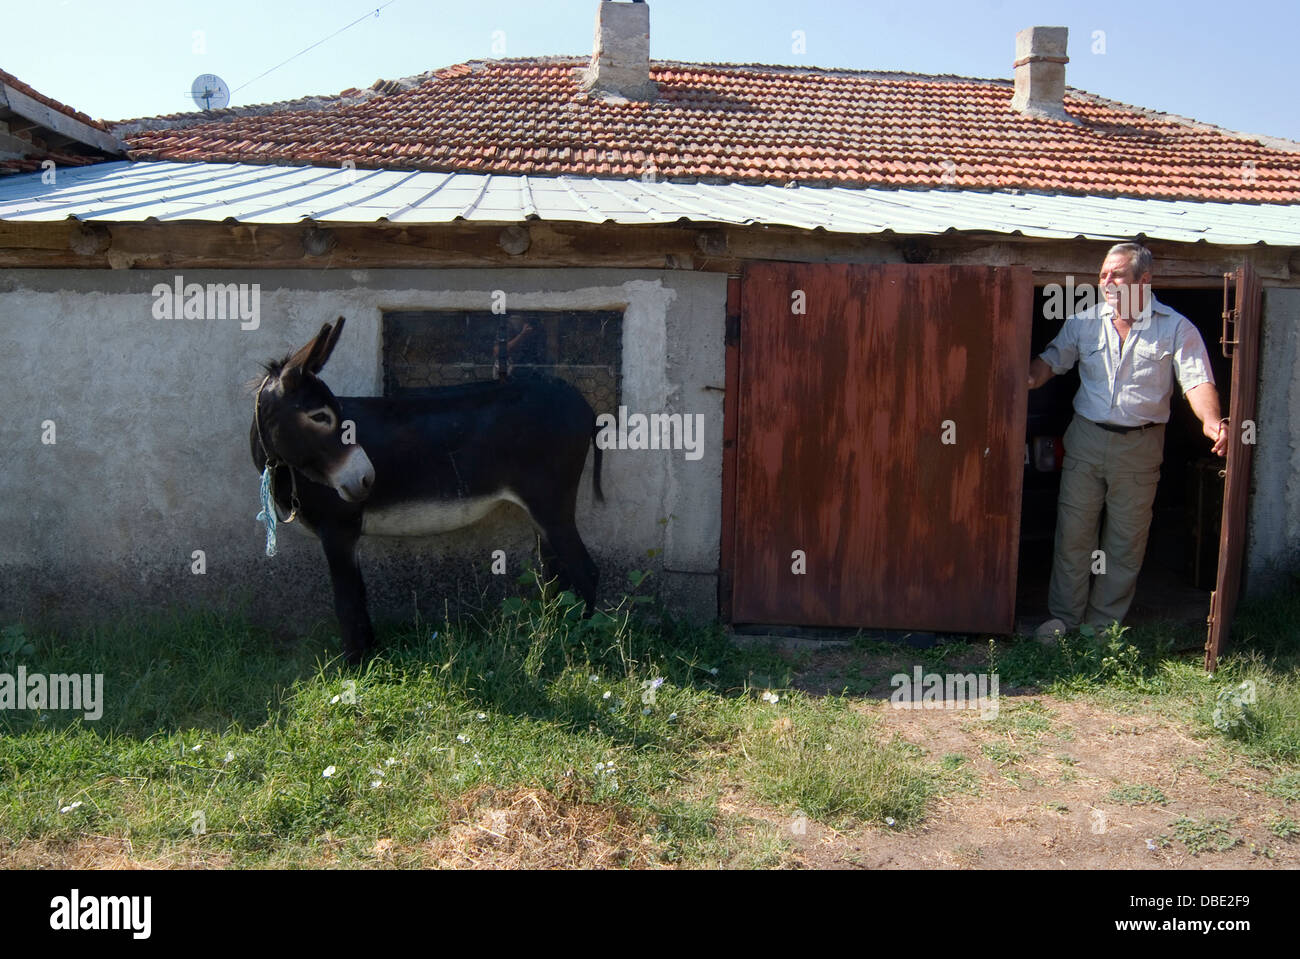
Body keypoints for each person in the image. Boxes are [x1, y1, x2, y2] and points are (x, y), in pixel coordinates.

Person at [1028, 242, 1228, 638]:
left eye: (1115, 274)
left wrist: (1211, 420)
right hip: (1085, 439)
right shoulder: (1083, 322)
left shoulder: (1175, 327)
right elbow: (1051, 362)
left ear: (1144, 280)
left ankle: (1102, 628)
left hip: (1140, 445)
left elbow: (1197, 379)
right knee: (1074, 532)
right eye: (1103, 274)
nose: (1105, 281)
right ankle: (1063, 620)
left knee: (1124, 541)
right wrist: (1025, 379)